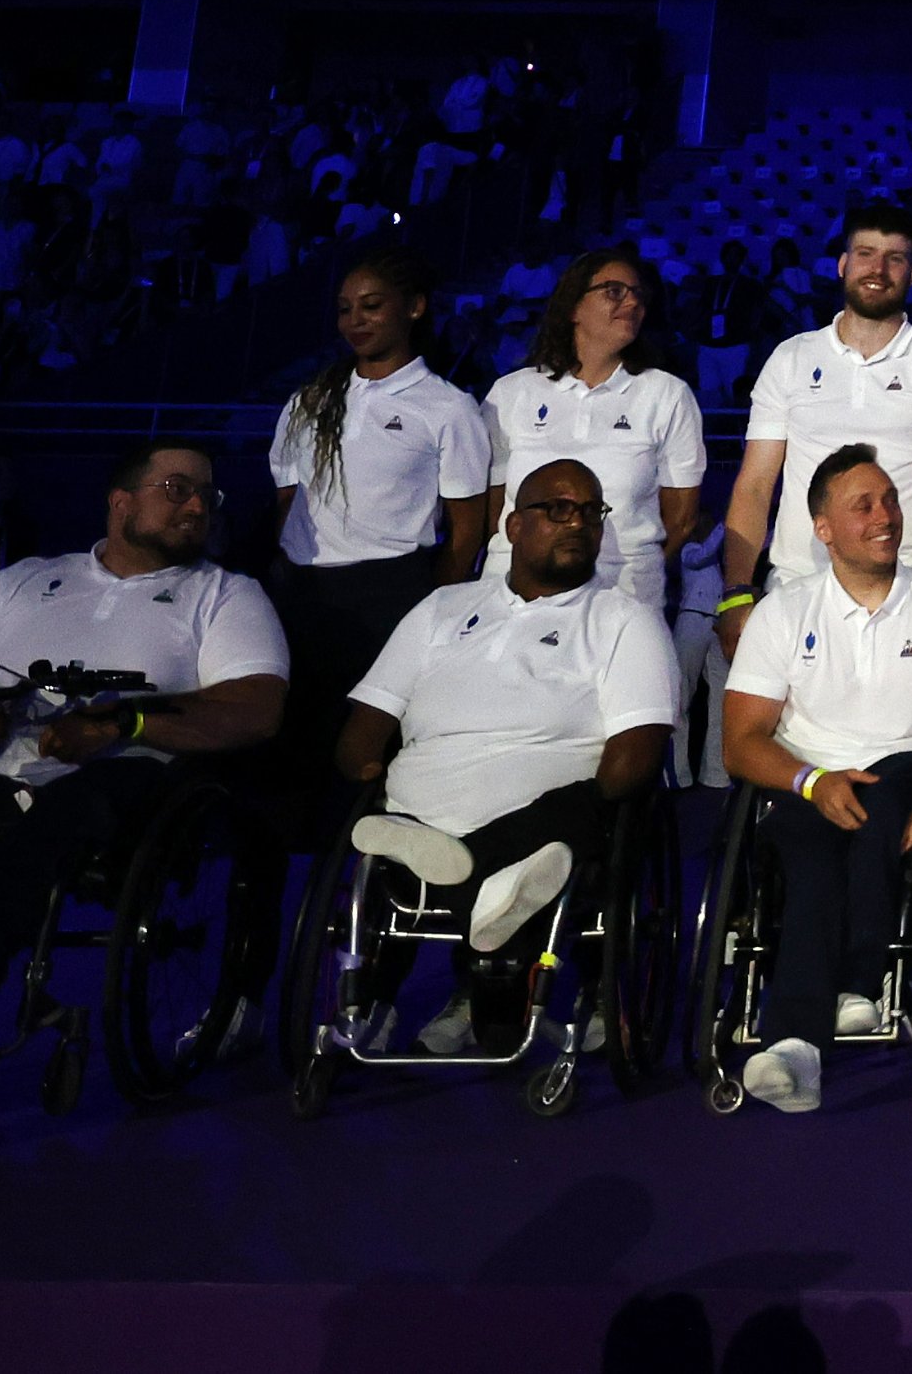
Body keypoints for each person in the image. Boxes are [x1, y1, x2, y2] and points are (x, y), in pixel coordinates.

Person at [0, 442, 290, 1087]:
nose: (197, 507)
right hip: (0, 771)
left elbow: (256, 711)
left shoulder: (224, 595)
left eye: (206, 496)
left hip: (127, 777)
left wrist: (120, 723)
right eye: (177, 489)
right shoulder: (26, 580)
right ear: (121, 502)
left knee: (52, 828)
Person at [338, 459, 680, 1054]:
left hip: (544, 819)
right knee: (403, 819)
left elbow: (633, 760)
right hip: (426, 799)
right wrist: (365, 771)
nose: (577, 523)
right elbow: (362, 734)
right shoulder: (441, 609)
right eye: (558, 509)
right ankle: (479, 892)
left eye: (590, 512)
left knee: (591, 807)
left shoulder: (624, 621)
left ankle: (469, 880)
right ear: (513, 526)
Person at [718, 444, 912, 1112]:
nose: (886, 516)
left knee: (888, 790)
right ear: (823, 528)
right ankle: (797, 1047)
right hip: (809, 777)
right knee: (811, 859)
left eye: (891, 501)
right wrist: (813, 781)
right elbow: (741, 742)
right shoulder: (783, 611)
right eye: (864, 505)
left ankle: (857, 981)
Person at [269, 248, 493, 780]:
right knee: (292, 747)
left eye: (371, 306)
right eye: (345, 309)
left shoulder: (448, 407)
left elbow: (467, 528)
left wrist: (430, 608)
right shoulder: (309, 400)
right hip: (300, 592)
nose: (355, 321)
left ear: (414, 307)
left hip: (389, 596)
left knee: (366, 752)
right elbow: (287, 501)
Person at [719, 204, 912, 626]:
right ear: (842, 265)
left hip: (902, 593)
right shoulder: (790, 358)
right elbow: (754, 485)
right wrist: (735, 595)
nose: (878, 269)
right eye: (865, 254)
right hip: (796, 586)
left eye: (895, 258)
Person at [482, 245, 706, 619]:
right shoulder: (511, 393)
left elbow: (681, 519)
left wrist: (627, 565)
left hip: (623, 596)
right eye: (614, 291)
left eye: (638, 295)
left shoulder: (666, 395)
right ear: (573, 307)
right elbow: (492, 508)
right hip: (512, 593)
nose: (632, 303)